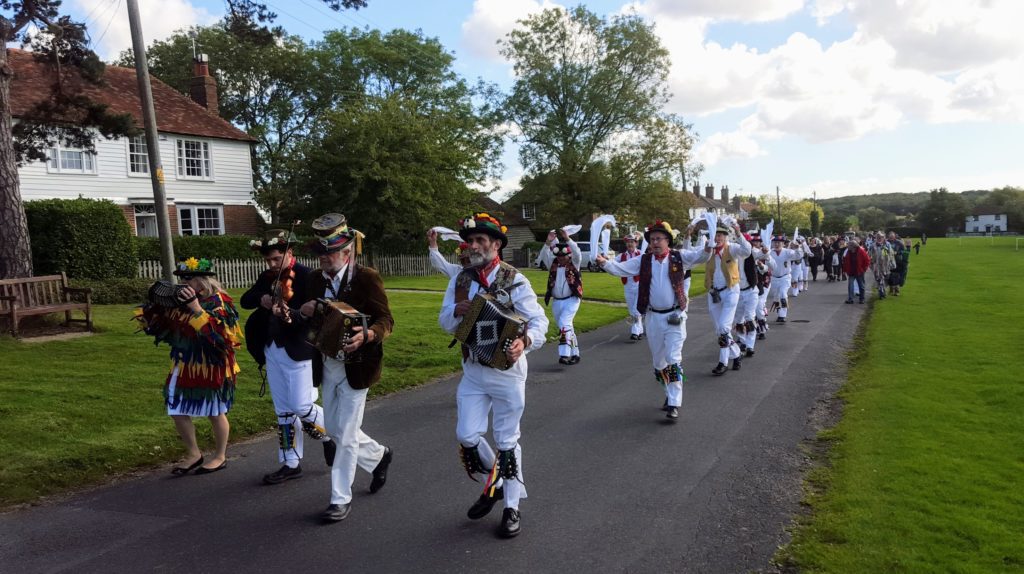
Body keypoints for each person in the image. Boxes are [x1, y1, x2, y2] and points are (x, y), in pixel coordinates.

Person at [440, 212, 548, 539]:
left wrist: (524, 342)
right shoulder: (460, 279)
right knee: (467, 436)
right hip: (473, 370)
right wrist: (454, 312)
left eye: (480, 240)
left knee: (506, 440)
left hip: (507, 373)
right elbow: (445, 322)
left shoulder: (514, 279)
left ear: (496, 244)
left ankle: (511, 507)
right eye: (469, 240)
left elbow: (539, 322)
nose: (473, 246)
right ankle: (496, 482)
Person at [296, 213, 394, 523]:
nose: (324, 258)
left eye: (330, 252)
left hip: (358, 364)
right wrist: (304, 309)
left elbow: (386, 321)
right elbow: (304, 317)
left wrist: (368, 335)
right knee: (335, 429)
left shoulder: (366, 278)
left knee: (347, 434)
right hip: (326, 362)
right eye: (320, 253)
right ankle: (379, 456)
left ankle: (340, 498)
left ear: (347, 252)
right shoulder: (313, 280)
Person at [241, 230, 335, 485]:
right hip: (272, 349)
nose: (271, 264)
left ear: (289, 253)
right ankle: (290, 462)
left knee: (302, 406)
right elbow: (245, 300)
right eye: (268, 261)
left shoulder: (307, 276)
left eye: (275, 259)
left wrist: (291, 311)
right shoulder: (267, 277)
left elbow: (317, 312)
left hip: (299, 348)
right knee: (283, 412)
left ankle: (331, 436)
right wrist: (261, 298)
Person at [135, 257, 241, 475]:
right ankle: (194, 453)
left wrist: (195, 308)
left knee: (215, 410)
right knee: (175, 406)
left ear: (202, 281)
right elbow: (166, 326)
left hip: (211, 364)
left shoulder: (219, 301)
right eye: (181, 280)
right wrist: (152, 311)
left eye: (188, 280)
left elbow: (222, 338)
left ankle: (220, 456)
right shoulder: (179, 300)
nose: (183, 284)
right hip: (184, 363)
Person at [597, 220, 711, 420]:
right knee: (659, 363)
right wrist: (605, 263)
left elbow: (700, 256)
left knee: (674, 359)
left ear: (668, 241)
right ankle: (668, 394)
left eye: (659, 239)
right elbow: (620, 269)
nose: (655, 242)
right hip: (653, 317)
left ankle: (675, 402)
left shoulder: (679, 257)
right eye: (652, 239)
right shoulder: (644, 260)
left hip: (675, 316)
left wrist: (708, 247)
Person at [704, 221, 752, 375]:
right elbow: (689, 253)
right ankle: (736, 354)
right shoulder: (708, 250)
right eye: (715, 235)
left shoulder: (732, 248)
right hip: (714, 293)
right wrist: (688, 236)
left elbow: (747, 251)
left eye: (720, 236)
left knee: (724, 327)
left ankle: (722, 362)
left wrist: (738, 233)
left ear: (725, 237)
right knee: (720, 330)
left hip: (731, 291)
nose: (717, 238)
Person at [540, 229, 583, 364]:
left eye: (563, 256)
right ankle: (575, 354)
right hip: (557, 302)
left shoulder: (574, 263)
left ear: (568, 255)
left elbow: (577, 252)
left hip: (572, 299)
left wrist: (567, 238)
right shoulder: (552, 265)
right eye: (558, 256)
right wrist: (548, 242)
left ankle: (564, 354)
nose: (561, 258)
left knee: (565, 325)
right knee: (567, 327)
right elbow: (544, 255)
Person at [618, 233, 644, 341]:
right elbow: (612, 263)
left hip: (639, 284)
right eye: (628, 242)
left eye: (632, 242)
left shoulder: (641, 254)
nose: (630, 244)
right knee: (631, 309)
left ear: (636, 243)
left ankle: (634, 332)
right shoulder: (622, 256)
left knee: (636, 309)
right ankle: (640, 330)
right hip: (627, 285)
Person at [768, 237, 800, 323]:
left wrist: (797, 248)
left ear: (783, 244)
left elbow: (797, 256)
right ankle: (779, 313)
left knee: (783, 293)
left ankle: (783, 315)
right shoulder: (770, 252)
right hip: (774, 278)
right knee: (776, 297)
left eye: (779, 242)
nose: (777, 244)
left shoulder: (787, 252)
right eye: (775, 242)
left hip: (785, 277)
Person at [842, 239, 870, 304]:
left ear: (853, 246)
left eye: (849, 246)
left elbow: (867, 260)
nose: (848, 247)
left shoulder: (861, 251)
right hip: (851, 271)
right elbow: (845, 261)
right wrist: (844, 270)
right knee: (850, 285)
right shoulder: (849, 252)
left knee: (861, 285)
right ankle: (850, 299)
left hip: (859, 271)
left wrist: (864, 269)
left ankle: (862, 299)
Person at [869, 233, 895, 300]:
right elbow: (869, 255)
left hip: (885, 266)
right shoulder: (872, 246)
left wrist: (892, 263)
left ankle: (883, 290)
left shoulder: (887, 244)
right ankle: (881, 293)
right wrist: (871, 263)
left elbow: (891, 254)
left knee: (885, 279)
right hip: (876, 266)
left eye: (881, 237)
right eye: (878, 237)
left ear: (883, 238)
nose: (879, 239)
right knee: (878, 279)